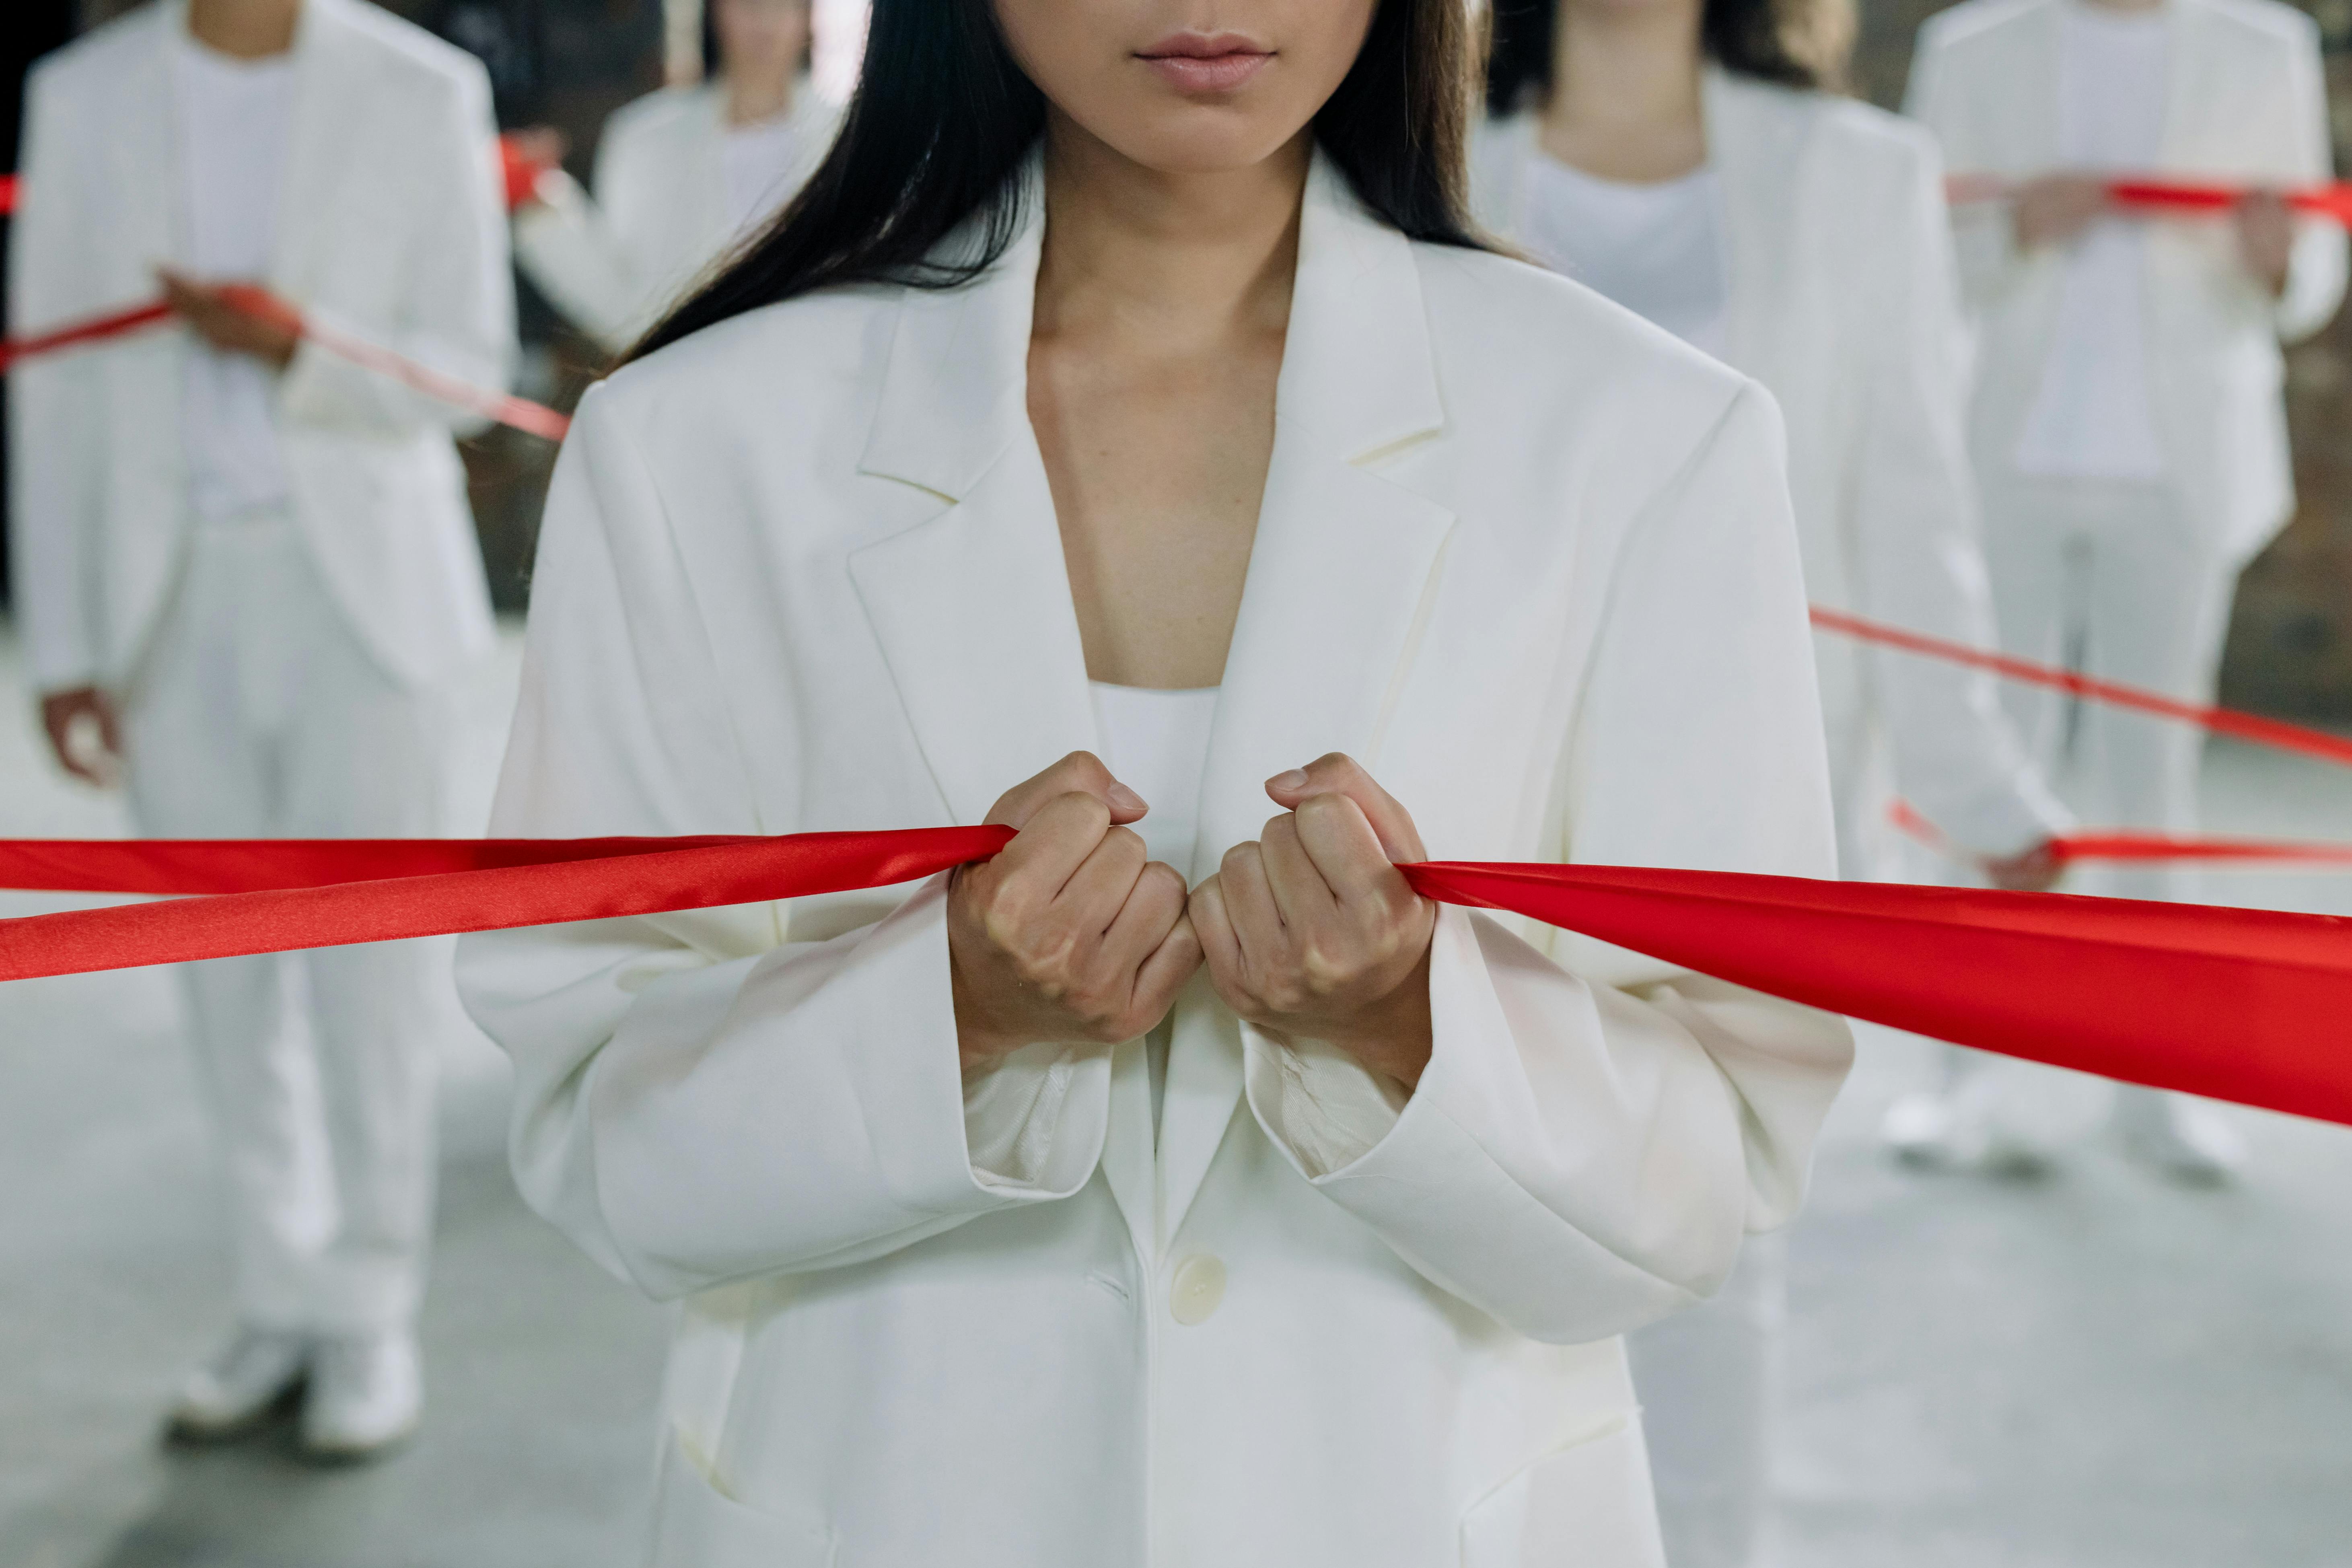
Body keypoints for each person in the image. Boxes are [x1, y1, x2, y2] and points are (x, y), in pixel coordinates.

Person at [455, 1, 1854, 1562]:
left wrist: (1409, 1029)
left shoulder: (1647, 440)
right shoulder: (694, 444)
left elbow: (1716, 1165)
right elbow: (593, 1135)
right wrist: (954, 1018)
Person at [1469, 2, 2066, 1562]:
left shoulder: (1862, 171)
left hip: (1747, 792)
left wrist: (1976, 786)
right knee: (1466, 1229)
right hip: (1465, 787)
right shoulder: (1422, 142)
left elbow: (1909, 501)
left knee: (1707, 1242)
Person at [8, 0, 513, 1458]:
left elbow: (470, 366)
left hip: (362, 598)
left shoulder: (424, 89)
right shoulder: (84, 94)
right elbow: (48, 379)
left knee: (370, 974)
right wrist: (69, 634)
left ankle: (371, 1314)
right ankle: (275, 1294)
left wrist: (297, 347)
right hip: (171, 605)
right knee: (224, 982)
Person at [1899, 0, 2346, 1181]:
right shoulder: (1971, 48)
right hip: (2004, 456)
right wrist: (2012, 230)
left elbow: (2309, 256)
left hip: (2179, 466)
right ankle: (1963, 1080)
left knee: (2151, 783)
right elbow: (1902, 251)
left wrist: (2283, 263)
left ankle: (2160, 1083)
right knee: (1995, 770)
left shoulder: (2263, 48)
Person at [510, 0, 842, 353]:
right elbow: (626, 307)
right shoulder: (644, 138)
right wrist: (543, 207)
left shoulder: (849, 138)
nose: (765, 21)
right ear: (715, 12)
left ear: (808, 15)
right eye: (748, 4)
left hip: (818, 377)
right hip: (687, 379)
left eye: (784, 5)